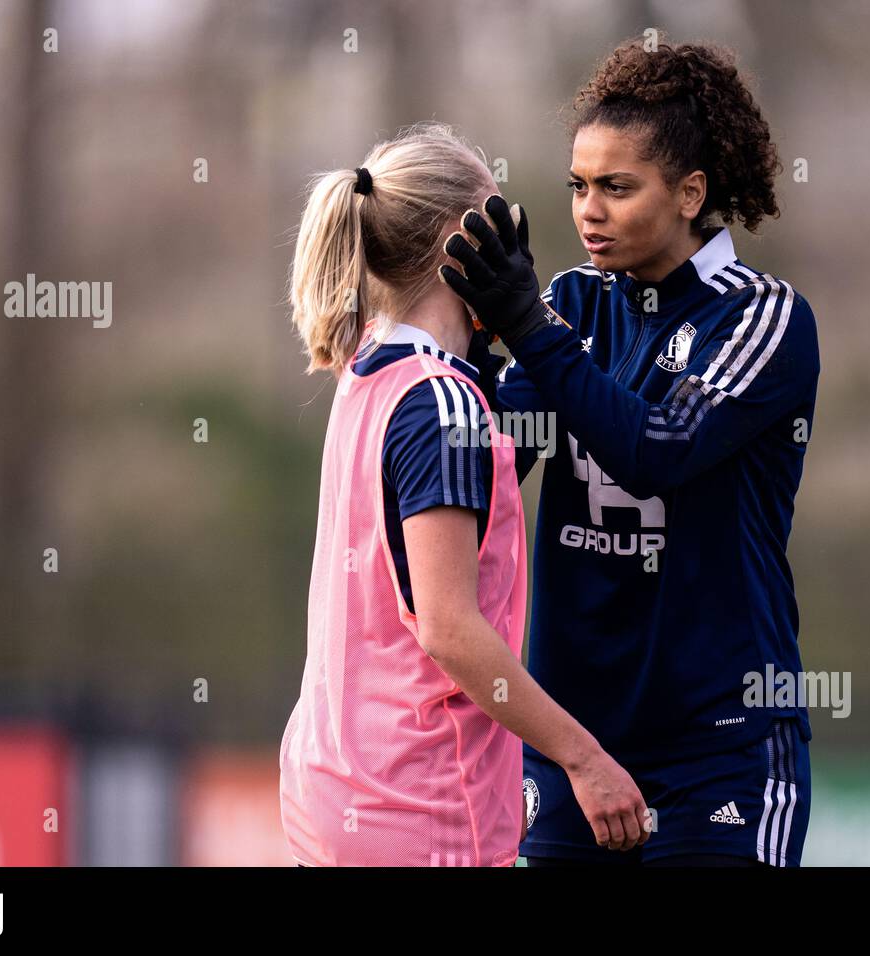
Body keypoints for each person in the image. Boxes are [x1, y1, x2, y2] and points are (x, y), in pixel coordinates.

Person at [441, 39, 819, 866]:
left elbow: (658, 449)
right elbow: (498, 468)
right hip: (575, 743)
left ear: (691, 192)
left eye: (617, 187)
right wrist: (465, 356)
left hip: (723, 749)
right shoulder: (571, 302)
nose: (588, 211)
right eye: (578, 186)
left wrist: (532, 334)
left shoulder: (764, 318)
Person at [278, 123, 648, 867]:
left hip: (332, 790)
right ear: (460, 240)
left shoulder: (368, 374)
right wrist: (583, 758)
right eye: (498, 225)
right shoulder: (442, 402)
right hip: (418, 805)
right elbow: (447, 627)